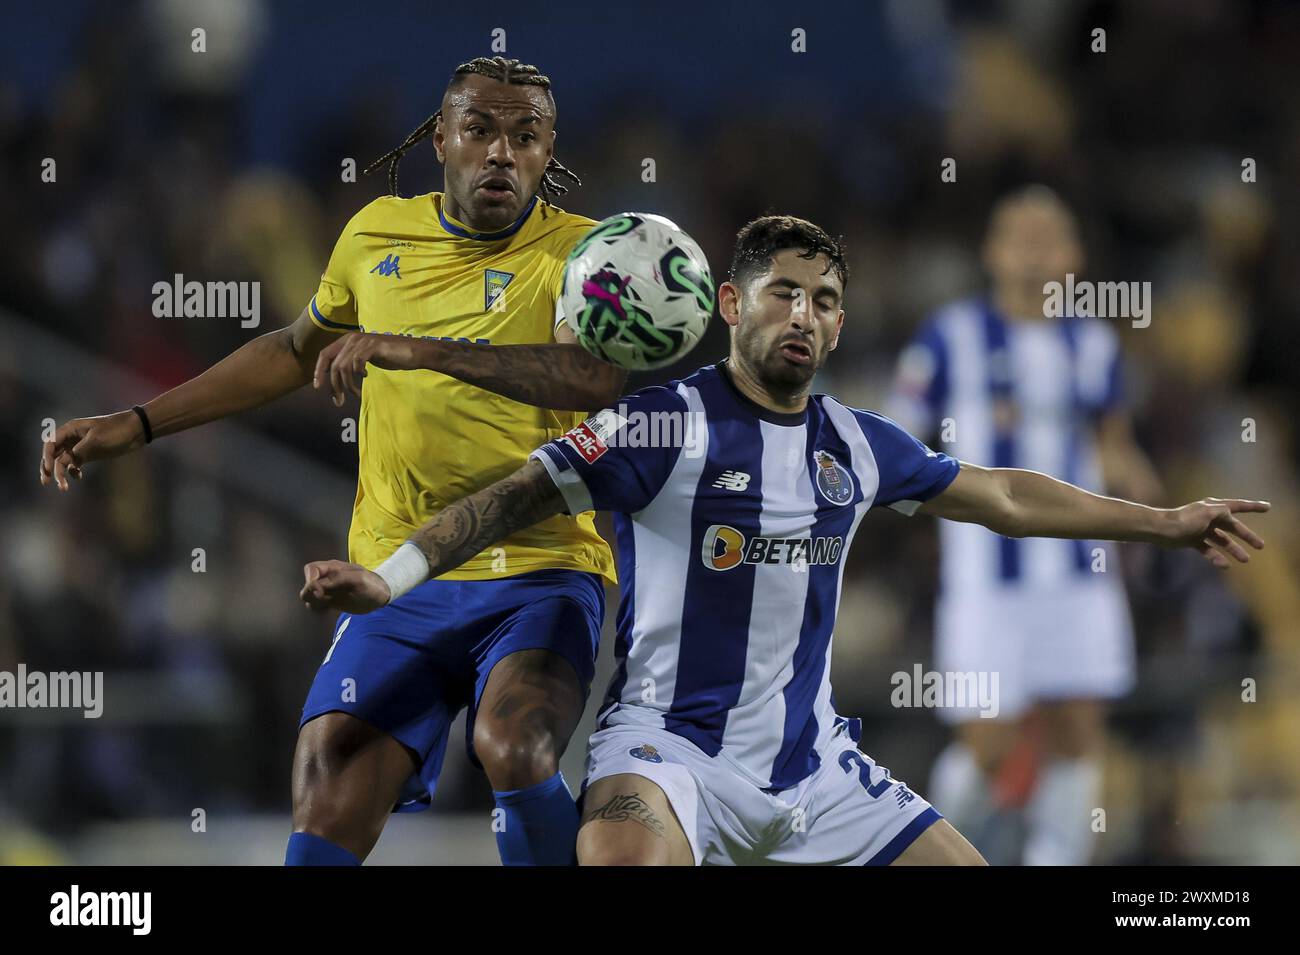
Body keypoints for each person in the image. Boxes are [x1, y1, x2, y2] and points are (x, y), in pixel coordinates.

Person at [298, 215, 1267, 865]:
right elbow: (511, 497)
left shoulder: (856, 440)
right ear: (729, 304)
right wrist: (392, 577)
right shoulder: (655, 424)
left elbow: (1005, 496)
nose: (802, 314)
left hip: (815, 768)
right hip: (670, 756)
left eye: (823, 300)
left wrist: (1164, 522)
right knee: (613, 854)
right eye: (781, 293)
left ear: (839, 324)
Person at [39, 56, 628, 866]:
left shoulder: (581, 254)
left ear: (547, 153)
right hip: (398, 570)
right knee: (324, 791)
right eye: (481, 130)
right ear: (441, 141)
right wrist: (137, 423)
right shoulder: (375, 234)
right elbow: (289, 350)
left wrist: (418, 349)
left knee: (515, 747)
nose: (502, 153)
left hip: (540, 566)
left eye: (526, 137)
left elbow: (589, 377)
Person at [887, 185, 1163, 864]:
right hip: (985, 578)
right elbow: (894, 435)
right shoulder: (949, 335)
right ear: (992, 250)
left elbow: (1113, 445)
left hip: (1078, 573)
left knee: (1076, 734)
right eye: (1021, 235)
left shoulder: (1094, 343)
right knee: (988, 746)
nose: (1036, 251)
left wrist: (1145, 493)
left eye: (1051, 237)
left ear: (1074, 255)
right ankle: (935, 856)